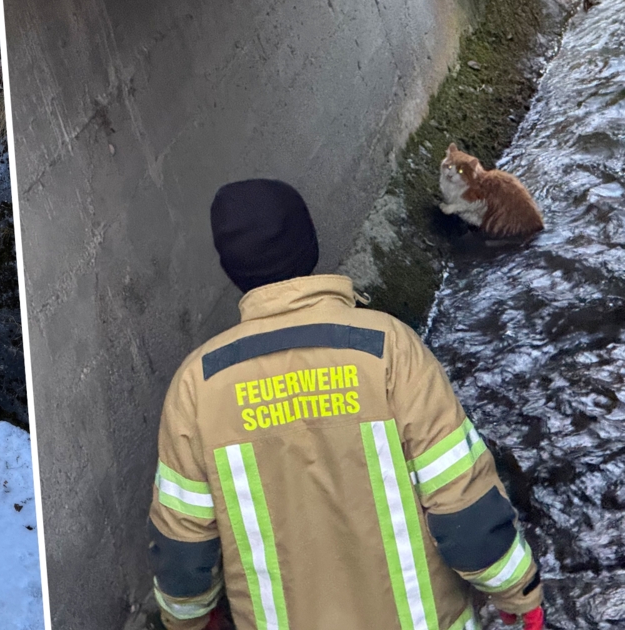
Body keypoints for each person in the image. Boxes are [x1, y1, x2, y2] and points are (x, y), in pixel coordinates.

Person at [147, 179, 544, 630]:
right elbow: (463, 503)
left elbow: (182, 550)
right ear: (311, 245)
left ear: (230, 267)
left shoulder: (197, 387)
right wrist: (519, 593)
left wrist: (188, 621)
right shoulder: (389, 348)